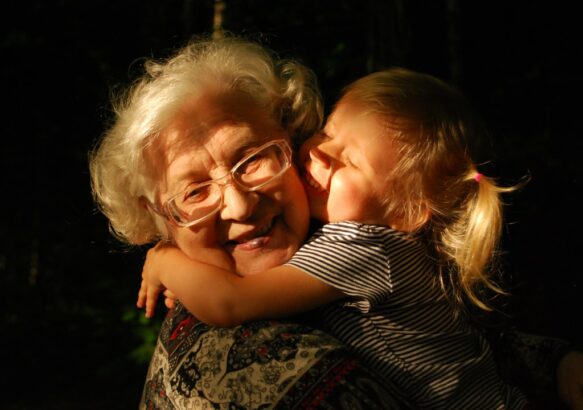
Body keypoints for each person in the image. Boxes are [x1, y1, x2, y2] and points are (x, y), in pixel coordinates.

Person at [90, 33, 583, 408]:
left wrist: (164, 260)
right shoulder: (232, 366)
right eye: (194, 191)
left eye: (253, 159)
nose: (239, 206)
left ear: (288, 137)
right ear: (157, 218)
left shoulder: (354, 245)